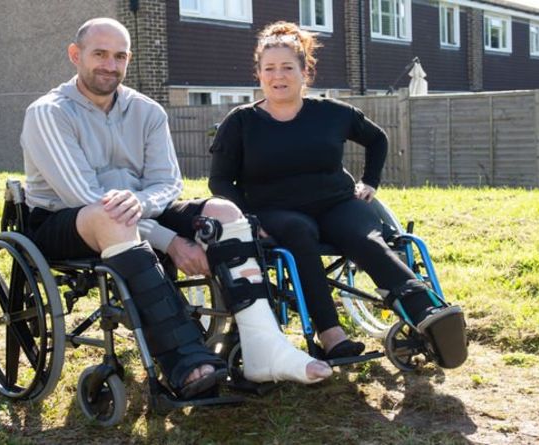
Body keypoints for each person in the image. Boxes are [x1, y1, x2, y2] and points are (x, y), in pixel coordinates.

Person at [20, 18, 332, 395]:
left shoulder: (147, 112)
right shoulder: (49, 112)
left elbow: (167, 184)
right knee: (109, 216)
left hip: (139, 210)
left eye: (119, 56)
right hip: (64, 221)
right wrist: (168, 240)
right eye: (99, 54)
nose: (110, 65)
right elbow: (83, 195)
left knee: (225, 213)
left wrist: (141, 202)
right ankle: (187, 360)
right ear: (75, 55)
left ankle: (262, 347)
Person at [209, 21, 454, 360]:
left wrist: (370, 181)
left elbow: (377, 139)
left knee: (364, 237)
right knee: (299, 233)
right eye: (269, 69)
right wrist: (249, 220)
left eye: (287, 67)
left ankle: (427, 313)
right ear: (259, 73)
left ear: (304, 71)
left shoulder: (331, 113)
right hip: (275, 210)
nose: (278, 76)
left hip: (336, 202)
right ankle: (331, 335)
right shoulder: (240, 122)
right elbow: (220, 182)